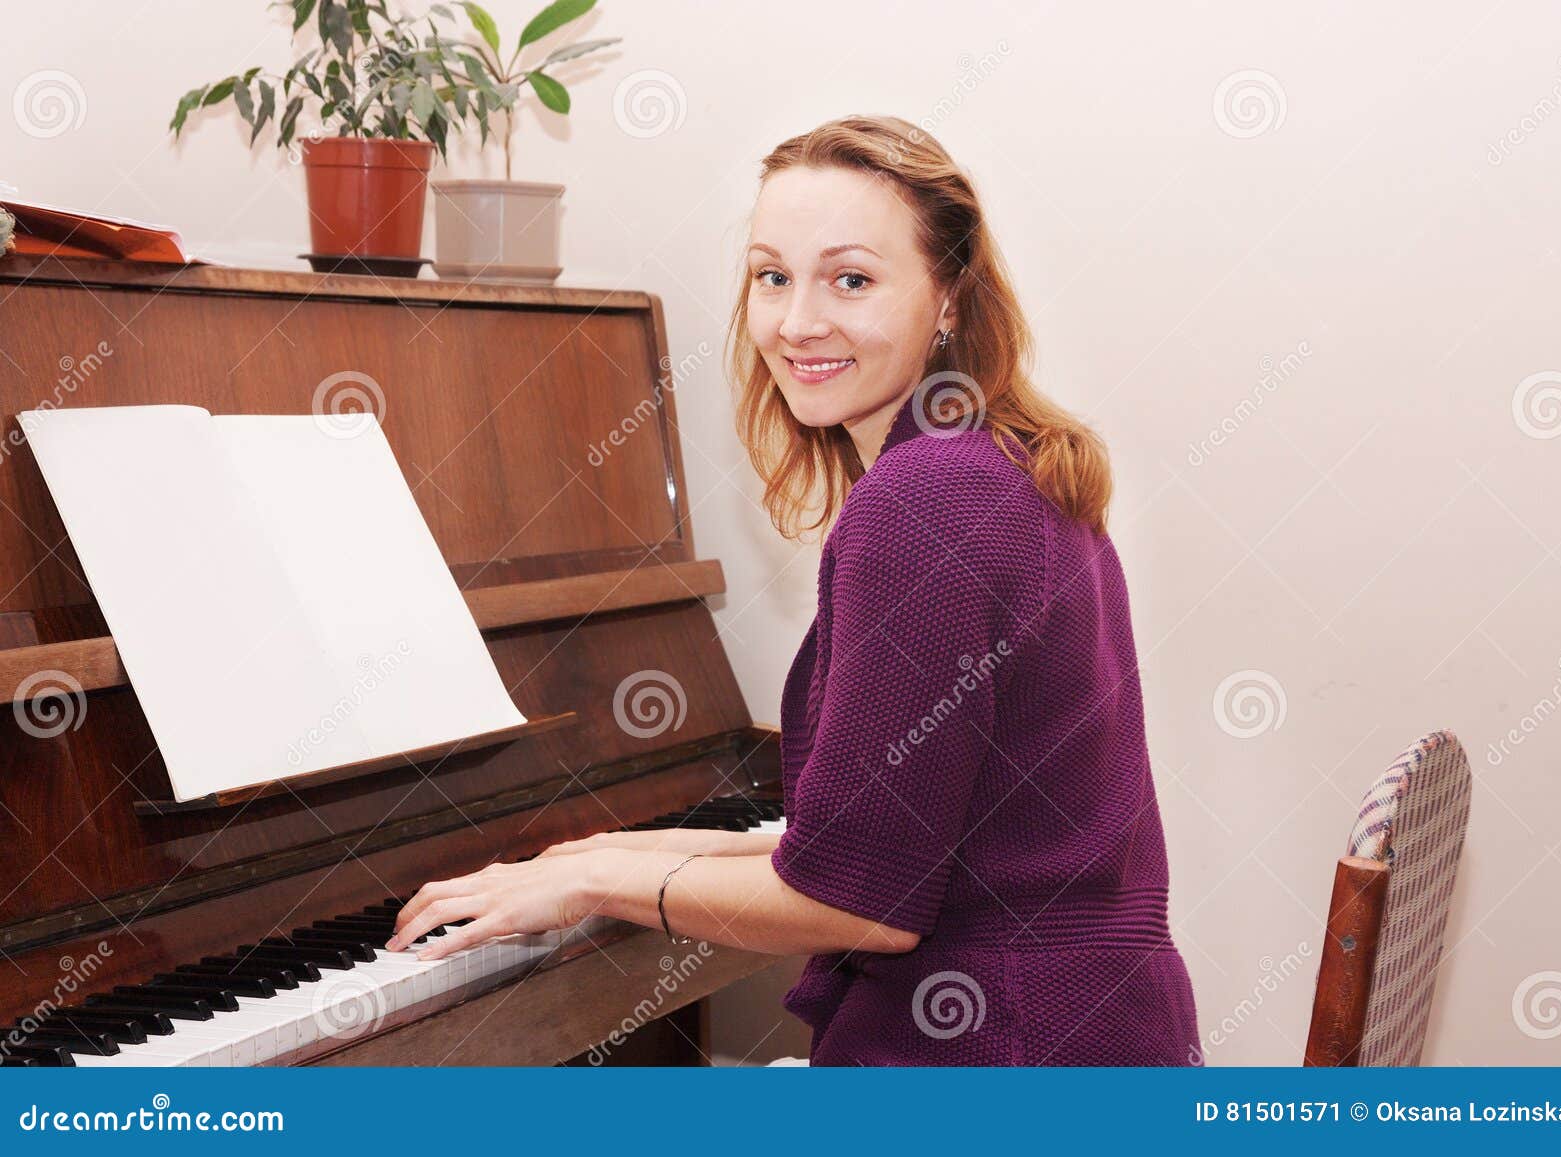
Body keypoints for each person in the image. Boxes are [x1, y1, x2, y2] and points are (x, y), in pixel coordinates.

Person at [389, 114, 1200, 1066]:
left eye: (850, 279)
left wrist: (596, 886)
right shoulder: (1000, 457)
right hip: (1093, 1034)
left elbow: (861, 900)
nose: (797, 322)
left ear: (948, 296)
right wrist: (606, 856)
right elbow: (887, 850)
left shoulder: (924, 501)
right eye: (772, 276)